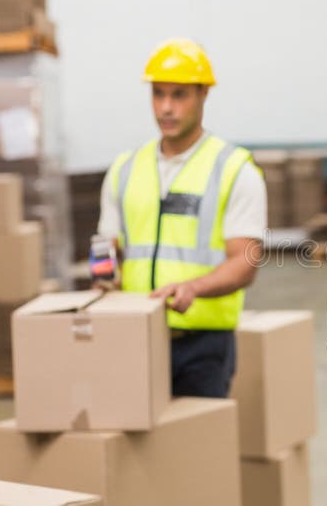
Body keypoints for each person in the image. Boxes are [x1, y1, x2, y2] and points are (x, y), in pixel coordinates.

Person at [97, 38, 266, 398]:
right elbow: (105, 245)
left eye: (179, 95)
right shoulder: (125, 169)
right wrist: (103, 278)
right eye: (158, 95)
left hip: (202, 347)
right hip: (133, 338)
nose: (166, 108)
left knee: (195, 450)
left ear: (203, 94)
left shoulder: (235, 170)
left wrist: (193, 288)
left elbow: (245, 262)